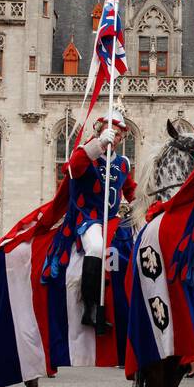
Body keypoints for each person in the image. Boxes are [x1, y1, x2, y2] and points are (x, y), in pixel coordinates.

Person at [44, 108, 137, 332]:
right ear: (100, 131)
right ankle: (90, 305)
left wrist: (140, 206)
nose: (113, 138)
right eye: (109, 132)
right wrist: (96, 145)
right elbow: (74, 169)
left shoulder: (122, 162)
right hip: (89, 217)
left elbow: (130, 190)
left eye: (117, 135)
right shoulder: (85, 153)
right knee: (95, 246)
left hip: (113, 219)